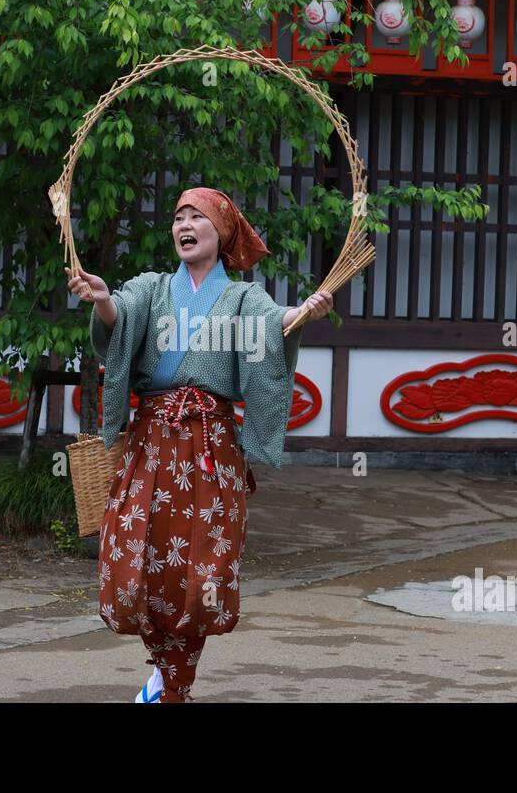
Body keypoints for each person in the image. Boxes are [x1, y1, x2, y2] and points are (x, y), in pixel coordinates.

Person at [64, 187, 333, 702]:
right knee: (136, 555)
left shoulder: (242, 297)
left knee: (203, 564)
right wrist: (101, 297)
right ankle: (165, 673)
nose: (183, 225)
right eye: (179, 217)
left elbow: (273, 322)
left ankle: (172, 683)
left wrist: (304, 312)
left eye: (197, 217)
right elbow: (120, 315)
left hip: (211, 447)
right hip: (153, 442)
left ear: (221, 231)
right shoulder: (153, 287)